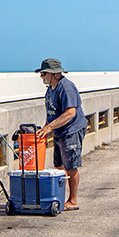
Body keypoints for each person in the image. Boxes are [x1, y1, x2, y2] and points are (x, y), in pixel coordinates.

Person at [36, 58, 87, 211]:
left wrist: (49, 127)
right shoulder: (50, 88)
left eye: (44, 73)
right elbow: (51, 112)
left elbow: (70, 113)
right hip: (58, 131)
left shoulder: (66, 88)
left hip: (71, 130)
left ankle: (73, 200)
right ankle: (58, 196)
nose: (42, 77)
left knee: (71, 165)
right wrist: (46, 128)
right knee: (59, 166)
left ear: (55, 74)